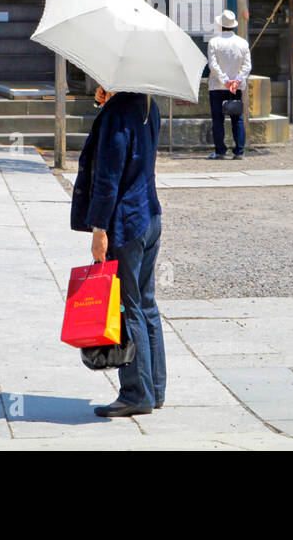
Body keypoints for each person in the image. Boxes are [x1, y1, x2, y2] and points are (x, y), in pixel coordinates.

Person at [71, 86, 165, 417]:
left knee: (130, 306)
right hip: (149, 214)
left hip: (124, 222)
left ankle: (136, 393)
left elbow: (108, 178)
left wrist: (98, 229)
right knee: (147, 304)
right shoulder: (148, 104)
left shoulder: (117, 113)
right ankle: (154, 388)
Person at [206, 10, 251, 160]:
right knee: (237, 118)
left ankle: (220, 150)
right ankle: (239, 150)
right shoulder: (243, 42)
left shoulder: (214, 42)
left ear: (221, 25)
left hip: (217, 86)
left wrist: (225, 80)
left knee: (217, 119)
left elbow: (213, 65)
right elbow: (247, 66)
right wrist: (236, 80)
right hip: (236, 87)